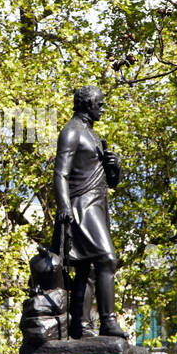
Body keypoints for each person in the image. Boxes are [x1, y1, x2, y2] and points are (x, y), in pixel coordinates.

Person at [51, 84, 127, 340]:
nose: (103, 108)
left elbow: (110, 182)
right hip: (81, 205)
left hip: (99, 203)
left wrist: (114, 167)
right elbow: (60, 173)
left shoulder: (92, 134)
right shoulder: (71, 132)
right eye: (100, 103)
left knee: (89, 268)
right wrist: (63, 206)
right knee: (106, 258)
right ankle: (108, 322)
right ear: (86, 104)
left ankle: (81, 327)